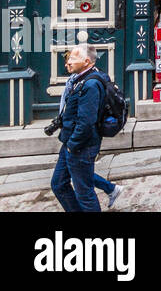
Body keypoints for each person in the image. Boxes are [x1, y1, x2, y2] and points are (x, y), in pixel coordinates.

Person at [49, 45, 123, 212]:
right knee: (59, 184)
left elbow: (86, 121)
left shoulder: (90, 85)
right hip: (71, 141)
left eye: (73, 59)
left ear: (86, 61)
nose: (68, 62)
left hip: (81, 146)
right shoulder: (81, 78)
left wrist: (72, 145)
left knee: (85, 193)